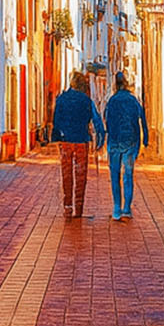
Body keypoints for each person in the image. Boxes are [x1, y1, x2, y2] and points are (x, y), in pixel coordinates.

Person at [50, 70, 105, 217]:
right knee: (81, 174)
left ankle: (68, 206)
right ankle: (79, 208)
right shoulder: (86, 100)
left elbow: (56, 120)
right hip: (81, 140)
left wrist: (57, 137)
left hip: (66, 141)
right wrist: (100, 140)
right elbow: (97, 121)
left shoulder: (61, 98)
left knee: (66, 173)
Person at [104, 71, 149, 221]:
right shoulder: (133, 100)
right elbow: (142, 119)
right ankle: (127, 209)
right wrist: (145, 139)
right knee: (128, 174)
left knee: (115, 174)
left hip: (114, 141)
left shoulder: (112, 101)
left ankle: (117, 208)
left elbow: (106, 119)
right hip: (130, 141)